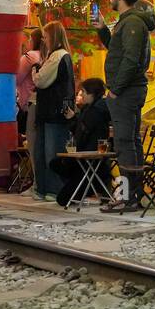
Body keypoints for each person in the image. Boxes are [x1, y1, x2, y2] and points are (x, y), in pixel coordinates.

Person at [97, 0, 155, 212]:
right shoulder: (128, 21)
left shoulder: (132, 22)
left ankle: (127, 197)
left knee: (125, 143)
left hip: (126, 92)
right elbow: (119, 50)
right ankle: (133, 195)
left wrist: (115, 89)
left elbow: (130, 60)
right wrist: (103, 31)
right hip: (128, 91)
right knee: (130, 141)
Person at [29, 21, 75, 201]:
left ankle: (51, 189)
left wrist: (35, 70)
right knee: (46, 150)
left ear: (53, 37)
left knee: (49, 152)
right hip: (53, 112)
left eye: (46, 37)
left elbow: (40, 80)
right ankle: (46, 188)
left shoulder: (57, 56)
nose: (44, 40)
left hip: (52, 113)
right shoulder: (62, 56)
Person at [53, 78, 113, 205]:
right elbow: (81, 130)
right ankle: (90, 186)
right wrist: (73, 118)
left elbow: (81, 135)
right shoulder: (90, 109)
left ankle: (91, 185)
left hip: (88, 159)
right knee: (56, 163)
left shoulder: (93, 112)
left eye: (84, 92)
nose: (82, 95)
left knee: (62, 199)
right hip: (90, 159)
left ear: (92, 94)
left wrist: (71, 154)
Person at [16, 29, 43, 144]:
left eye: (30, 39)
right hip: (41, 103)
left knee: (29, 140)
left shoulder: (29, 56)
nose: (28, 42)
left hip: (28, 103)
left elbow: (16, 79)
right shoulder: (45, 56)